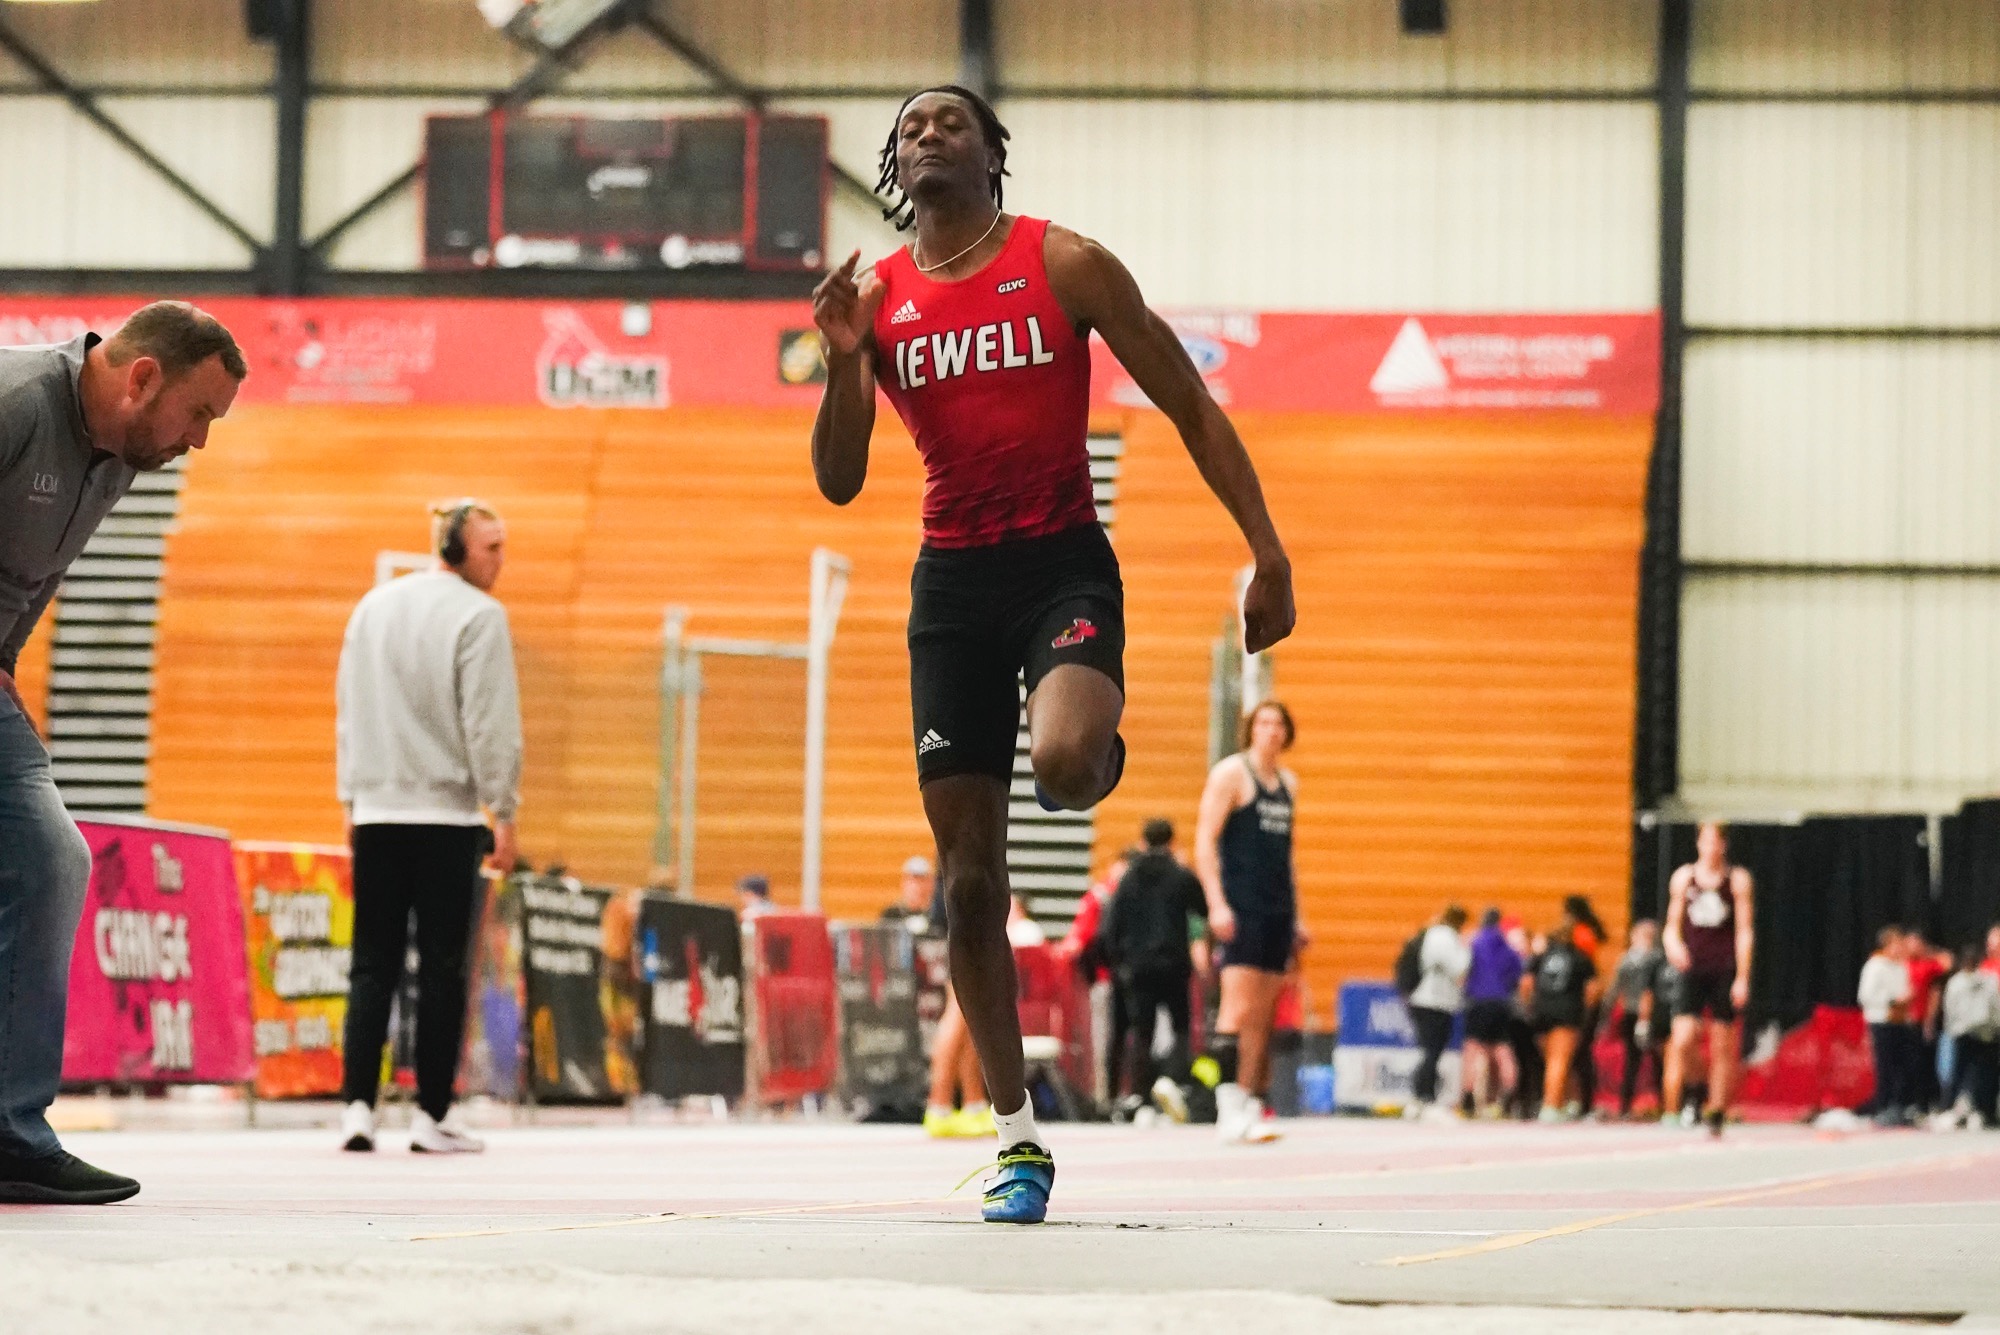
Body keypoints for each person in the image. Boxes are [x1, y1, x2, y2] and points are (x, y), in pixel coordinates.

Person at [810, 85, 1295, 1223]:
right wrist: (841, 360)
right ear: (895, 164)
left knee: (1068, 767)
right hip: (952, 590)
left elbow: (1189, 401)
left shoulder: (1064, 263)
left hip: (1061, 566)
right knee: (971, 884)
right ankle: (1015, 1138)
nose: (929, 133)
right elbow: (838, 480)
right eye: (911, 127)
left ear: (993, 152)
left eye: (951, 121)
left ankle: (1092, 743)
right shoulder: (876, 302)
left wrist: (1266, 552)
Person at [0, 301, 244, 1204]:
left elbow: (37, 576)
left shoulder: (119, 458)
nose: (200, 440)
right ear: (143, 377)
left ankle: (10, 1132)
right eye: (200, 413)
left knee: (51, 858)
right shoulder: (17, 401)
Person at [336, 499, 522, 1155]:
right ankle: (430, 1115)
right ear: (456, 549)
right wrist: (503, 810)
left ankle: (357, 1109)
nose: (501, 560)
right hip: (446, 817)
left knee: (372, 963)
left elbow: (349, 709)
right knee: (443, 969)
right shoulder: (480, 615)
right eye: (492, 547)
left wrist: (351, 798)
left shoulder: (372, 607)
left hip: (377, 812)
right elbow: (489, 723)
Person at [1194, 700, 1301, 1145]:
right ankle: (1225, 1107)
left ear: (1287, 733)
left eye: (1278, 724)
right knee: (1237, 1008)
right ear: (1251, 730)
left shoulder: (1289, 784)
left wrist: (1298, 915)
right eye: (1263, 722)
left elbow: (1287, 857)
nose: (1271, 730)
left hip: (1278, 909)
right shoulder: (1231, 775)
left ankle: (1247, 1098)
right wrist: (1216, 904)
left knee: (1263, 1014)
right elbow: (1205, 840)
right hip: (1241, 906)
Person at [1100, 819, 1207, 1117]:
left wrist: (1120, 963)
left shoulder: (1128, 878)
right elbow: (1202, 909)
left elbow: (1111, 926)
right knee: (1180, 1027)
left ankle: (1140, 1096)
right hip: (1174, 964)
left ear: (1142, 842)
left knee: (1142, 1032)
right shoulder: (1181, 875)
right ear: (1172, 842)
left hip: (1138, 967)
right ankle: (1175, 1083)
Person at [1661, 822, 1755, 1135]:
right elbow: (1671, 924)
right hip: (1692, 966)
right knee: (1684, 1038)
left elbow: (1744, 930)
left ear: (1723, 845)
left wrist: (1742, 976)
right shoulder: (1684, 877)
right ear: (1698, 844)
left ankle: (1716, 1109)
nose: (1711, 848)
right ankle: (1696, 1085)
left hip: (1723, 967)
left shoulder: (1737, 880)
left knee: (1722, 1044)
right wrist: (1673, 945)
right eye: (1706, 841)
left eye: (1716, 842)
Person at [1527, 914, 1598, 1122]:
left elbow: (1526, 984)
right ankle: (1551, 1106)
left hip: (1542, 1012)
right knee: (1560, 1061)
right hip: (1567, 1012)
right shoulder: (1580, 958)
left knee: (1551, 1060)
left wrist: (1532, 1005)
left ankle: (1564, 1102)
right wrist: (1584, 1010)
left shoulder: (1541, 957)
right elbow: (1593, 990)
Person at [1405, 905, 1470, 1122]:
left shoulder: (1432, 933)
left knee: (1429, 1051)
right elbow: (1459, 967)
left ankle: (1420, 1098)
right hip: (1435, 1001)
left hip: (1426, 999)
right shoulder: (1445, 936)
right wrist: (1468, 949)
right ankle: (1425, 1097)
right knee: (1432, 1051)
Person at [1460, 909, 1522, 1119]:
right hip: (1501, 1003)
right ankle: (1509, 1096)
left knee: (1472, 1049)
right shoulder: (1507, 946)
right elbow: (1517, 973)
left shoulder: (1474, 943)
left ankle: (1468, 1098)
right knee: (1503, 1050)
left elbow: (1463, 968)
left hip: (1478, 1001)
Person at [1934, 945, 2000, 1130]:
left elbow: (1950, 1008)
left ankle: (1950, 1109)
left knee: (1959, 1073)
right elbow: (1995, 1006)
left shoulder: (1956, 982)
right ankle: (1984, 1111)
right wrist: (1996, 1027)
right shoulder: (1989, 980)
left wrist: (1951, 1029)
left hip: (1963, 1033)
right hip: (1985, 1033)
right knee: (1984, 1075)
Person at [1608, 919, 1667, 1119]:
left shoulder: (1634, 959)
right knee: (1651, 1060)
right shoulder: (1656, 958)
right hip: (1643, 1012)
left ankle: (1628, 1106)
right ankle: (1662, 1104)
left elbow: (1616, 989)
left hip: (1641, 1011)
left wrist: (1607, 1012)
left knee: (1642, 1060)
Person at [1858, 926, 1916, 1126]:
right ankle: (1882, 1108)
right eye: (1897, 943)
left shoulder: (1901, 966)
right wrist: (1893, 1000)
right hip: (1881, 1021)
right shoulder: (1875, 966)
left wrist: (1907, 999)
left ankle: (1898, 1107)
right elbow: (1866, 995)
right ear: (1887, 945)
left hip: (1900, 1021)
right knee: (1885, 1067)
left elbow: (1906, 990)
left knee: (1903, 1067)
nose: (1901, 947)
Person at [1903, 927, 1950, 1113]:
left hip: (1923, 1021)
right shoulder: (1902, 964)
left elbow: (1947, 962)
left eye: (1915, 942)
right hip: (1903, 1021)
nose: (1911, 946)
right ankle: (1909, 1102)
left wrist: (1929, 1021)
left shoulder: (1929, 965)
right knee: (1907, 1064)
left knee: (1925, 1063)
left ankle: (1928, 1103)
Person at [880, 855, 936, 931]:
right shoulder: (891, 915)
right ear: (903, 883)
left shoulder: (939, 915)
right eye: (913, 880)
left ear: (932, 884)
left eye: (922, 880)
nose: (918, 886)